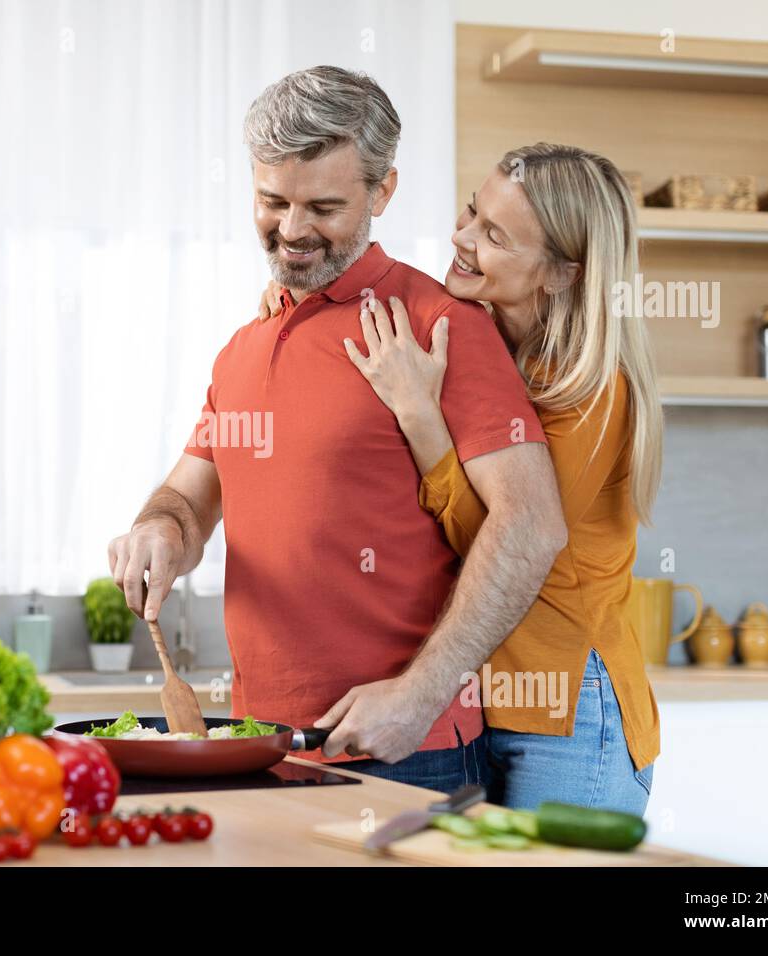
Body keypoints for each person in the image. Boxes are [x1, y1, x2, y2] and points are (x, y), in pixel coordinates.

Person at [107, 66, 567, 794]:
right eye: (271, 201)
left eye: (323, 205)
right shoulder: (243, 346)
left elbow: (533, 525)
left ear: (382, 192)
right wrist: (160, 531)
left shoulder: (440, 327)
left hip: (408, 749)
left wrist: (421, 694)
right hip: (258, 745)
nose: (291, 231)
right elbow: (190, 499)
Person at [258, 142, 664, 815]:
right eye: (472, 212)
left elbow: (514, 543)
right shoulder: (480, 350)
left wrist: (420, 416)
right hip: (486, 707)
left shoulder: (591, 393)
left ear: (562, 274)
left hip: (568, 713)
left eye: (495, 236)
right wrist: (297, 297)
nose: (463, 238)